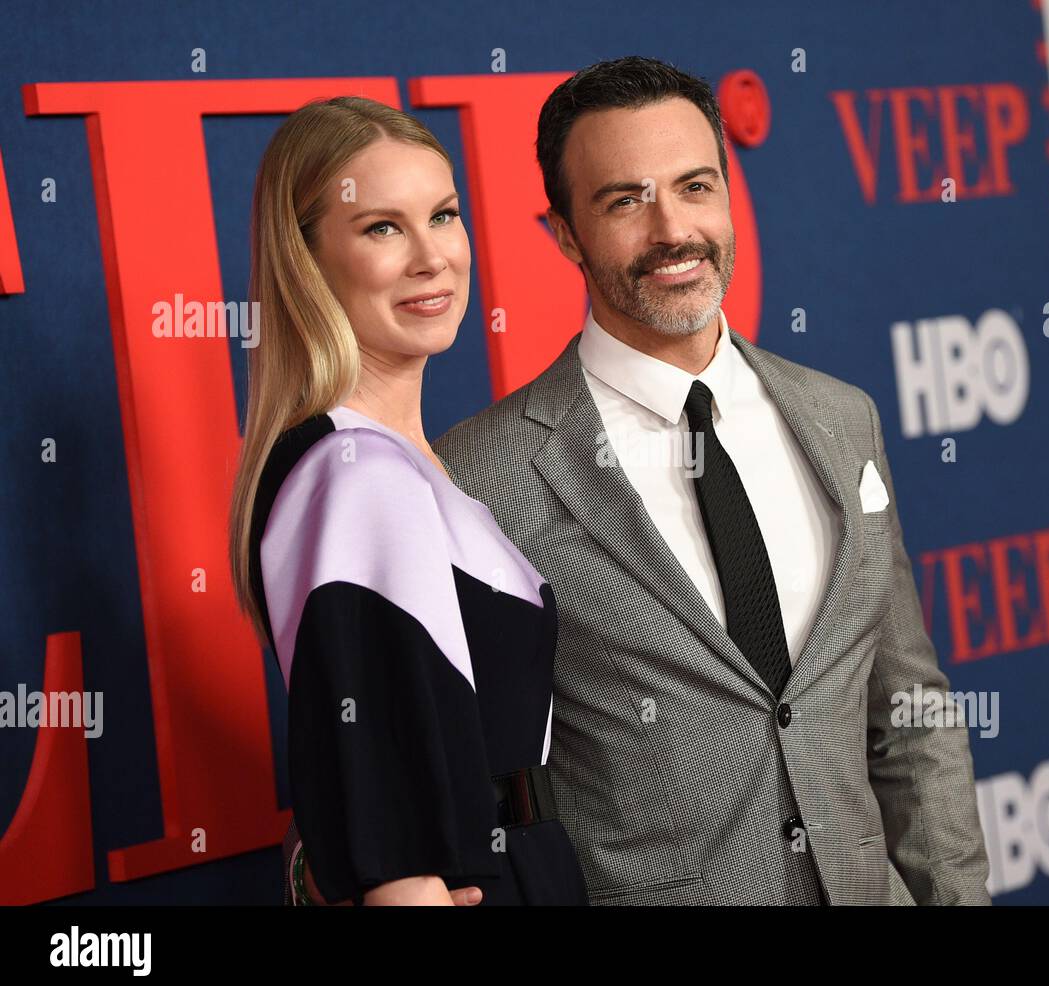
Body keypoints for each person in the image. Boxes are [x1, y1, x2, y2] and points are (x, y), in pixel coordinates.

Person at [432, 57, 992, 904]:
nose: (672, 230)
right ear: (564, 235)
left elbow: (908, 709)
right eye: (625, 200)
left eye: (695, 187)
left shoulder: (844, 422)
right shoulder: (480, 474)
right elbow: (453, 769)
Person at [227, 95, 588, 906]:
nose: (433, 257)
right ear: (307, 259)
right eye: (382, 227)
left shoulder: (403, 466)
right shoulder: (361, 475)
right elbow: (389, 820)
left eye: (444, 215)